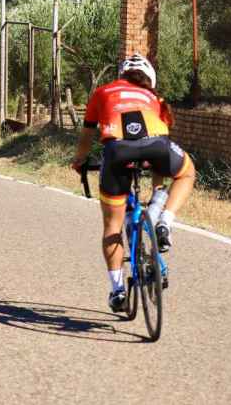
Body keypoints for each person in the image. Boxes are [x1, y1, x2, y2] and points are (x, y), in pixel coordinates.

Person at [70, 54, 196, 313]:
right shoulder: (155, 98)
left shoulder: (103, 92)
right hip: (156, 148)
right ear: (149, 79)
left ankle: (117, 291)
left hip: (117, 153)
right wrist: (157, 193)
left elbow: (86, 135)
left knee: (112, 226)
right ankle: (164, 222)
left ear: (121, 75)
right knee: (187, 173)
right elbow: (161, 146)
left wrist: (80, 160)